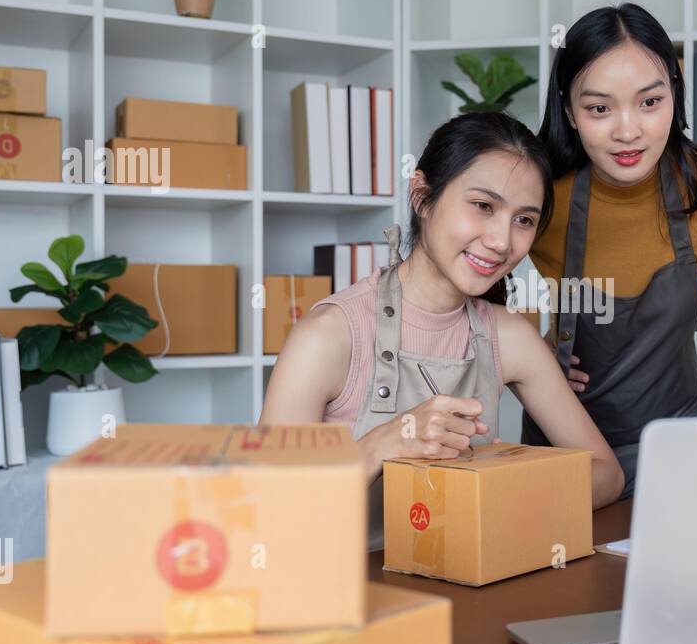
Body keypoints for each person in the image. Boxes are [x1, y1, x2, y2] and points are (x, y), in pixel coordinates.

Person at [261, 112, 624, 549]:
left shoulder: (509, 337)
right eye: (483, 207)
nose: (502, 241)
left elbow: (606, 473)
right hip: (347, 596)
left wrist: (500, 491)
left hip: (465, 579)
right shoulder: (328, 337)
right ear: (422, 196)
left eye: (523, 220)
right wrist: (383, 443)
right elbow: (267, 513)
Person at [521, 2, 697, 498]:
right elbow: (467, 275)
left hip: (682, 451)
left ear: (675, 92)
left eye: (650, 102)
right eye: (599, 108)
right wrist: (520, 355)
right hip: (567, 459)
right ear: (568, 110)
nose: (628, 131)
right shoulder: (540, 188)